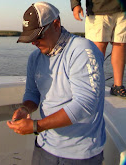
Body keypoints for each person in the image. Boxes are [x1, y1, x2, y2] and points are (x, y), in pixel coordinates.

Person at [7, 2, 106, 165]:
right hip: (44, 146)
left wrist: (36, 126)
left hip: (80, 154)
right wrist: (25, 108)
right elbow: (32, 93)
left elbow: (85, 104)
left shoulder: (82, 50)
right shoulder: (34, 58)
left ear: (56, 24)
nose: (34, 42)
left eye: (38, 36)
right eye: (31, 38)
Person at [71, 0, 126, 97]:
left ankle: (118, 85)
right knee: (98, 47)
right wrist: (76, 5)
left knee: (121, 44)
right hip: (98, 9)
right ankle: (94, 85)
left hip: (122, 9)